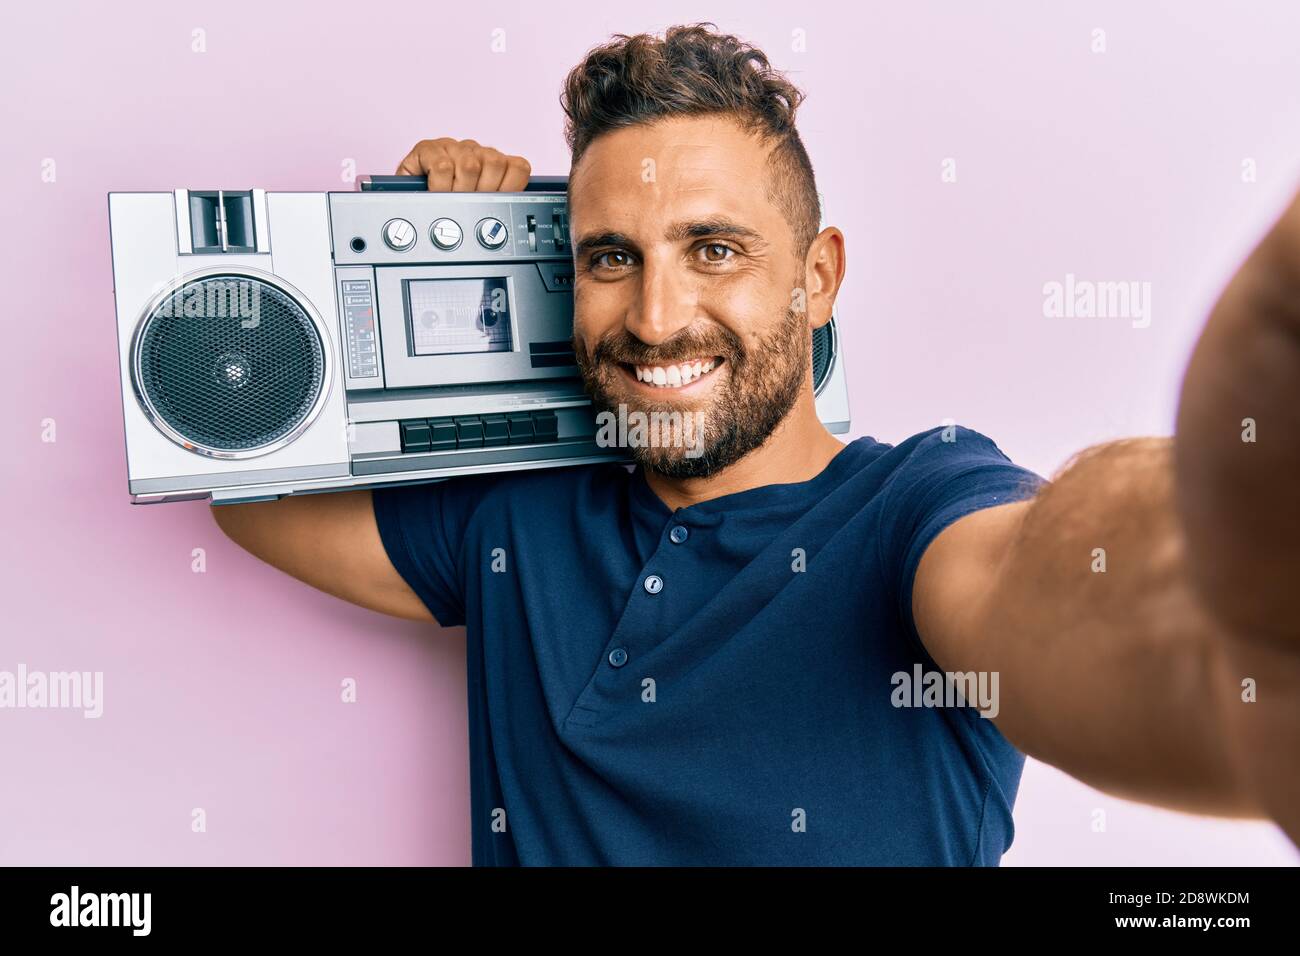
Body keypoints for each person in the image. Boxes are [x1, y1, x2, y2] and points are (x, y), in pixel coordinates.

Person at [212, 24, 1299, 865]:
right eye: (607, 258)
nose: (654, 314)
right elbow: (241, 486)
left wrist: (1232, 592)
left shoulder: (913, 507)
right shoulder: (514, 521)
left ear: (815, 277)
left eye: (714, 248)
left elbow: (1055, 581)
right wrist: (419, 258)